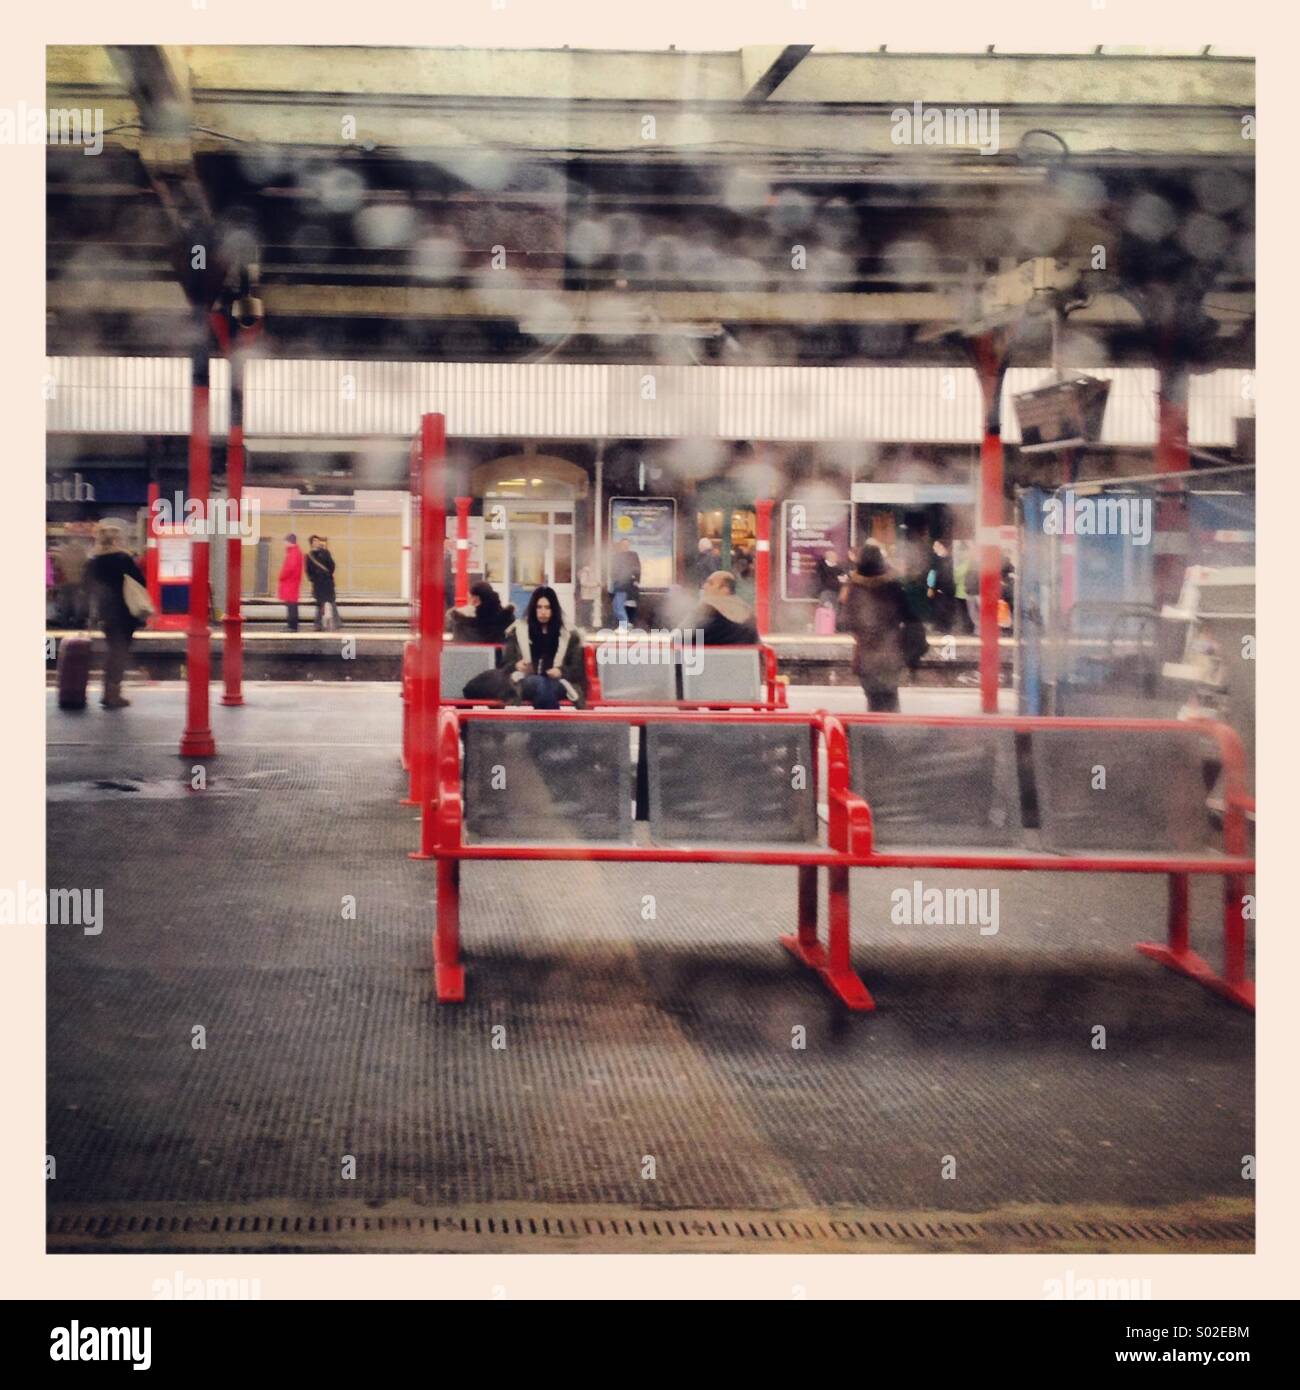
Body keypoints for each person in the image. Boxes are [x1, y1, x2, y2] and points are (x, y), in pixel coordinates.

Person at [839, 540, 912, 713]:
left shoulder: (853, 587)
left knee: (873, 698)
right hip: (890, 651)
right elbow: (907, 614)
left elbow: (844, 621)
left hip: (865, 654)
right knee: (891, 697)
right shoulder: (893, 586)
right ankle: (892, 735)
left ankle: (873, 735)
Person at [82, 521, 147, 709]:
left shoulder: (93, 561)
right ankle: (112, 695)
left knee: (113, 650)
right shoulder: (122, 559)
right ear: (116, 540)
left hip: (105, 613)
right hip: (124, 612)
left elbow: (86, 587)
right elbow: (140, 581)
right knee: (119, 653)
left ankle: (108, 692)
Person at [500, 585, 587, 709]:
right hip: (526, 681)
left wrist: (561, 671)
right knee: (540, 683)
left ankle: (543, 727)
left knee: (545, 686)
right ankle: (553, 726)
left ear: (554, 609)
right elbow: (505, 664)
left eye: (547, 607)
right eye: (539, 607)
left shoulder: (568, 634)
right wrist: (516, 665)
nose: (543, 612)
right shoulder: (519, 631)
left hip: (560, 683)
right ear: (533, 608)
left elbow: (577, 669)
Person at [690, 570, 759, 645]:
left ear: (725, 589)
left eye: (710, 583)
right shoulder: (747, 612)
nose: (704, 587)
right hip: (745, 655)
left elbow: (683, 638)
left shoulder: (710, 611)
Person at [447, 580, 515, 644]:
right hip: (496, 655)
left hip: (465, 655)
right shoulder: (507, 618)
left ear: (475, 599)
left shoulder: (459, 620)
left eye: (469, 597)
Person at [305, 534, 340, 630]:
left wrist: (328, 575)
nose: (317, 543)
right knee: (319, 604)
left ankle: (337, 622)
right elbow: (308, 570)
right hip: (318, 583)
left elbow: (332, 565)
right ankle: (318, 624)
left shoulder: (325, 552)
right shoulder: (309, 556)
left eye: (318, 541)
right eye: (314, 541)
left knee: (332, 602)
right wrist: (313, 579)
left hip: (327, 582)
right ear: (311, 544)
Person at [926, 539, 956, 634]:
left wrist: (938, 588)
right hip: (938, 587)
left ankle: (945, 627)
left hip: (944, 588)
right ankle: (940, 626)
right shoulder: (936, 559)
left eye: (937, 546)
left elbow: (945, 575)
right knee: (938, 608)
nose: (934, 548)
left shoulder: (948, 560)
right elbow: (932, 574)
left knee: (944, 608)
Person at [609, 539, 641, 629]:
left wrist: (636, 580)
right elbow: (613, 570)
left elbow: (637, 568)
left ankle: (624, 625)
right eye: (623, 544)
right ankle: (625, 625)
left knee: (620, 606)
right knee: (617, 606)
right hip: (619, 584)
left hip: (626, 584)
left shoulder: (633, 555)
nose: (625, 546)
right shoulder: (616, 556)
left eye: (627, 544)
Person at [277, 533, 304, 632]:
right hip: (293, 582)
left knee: (291, 605)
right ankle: (292, 625)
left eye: (285, 542)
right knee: (292, 604)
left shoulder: (293, 553)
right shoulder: (296, 552)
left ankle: (292, 626)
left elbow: (290, 567)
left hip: (290, 582)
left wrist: (281, 576)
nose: (284, 544)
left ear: (289, 542)